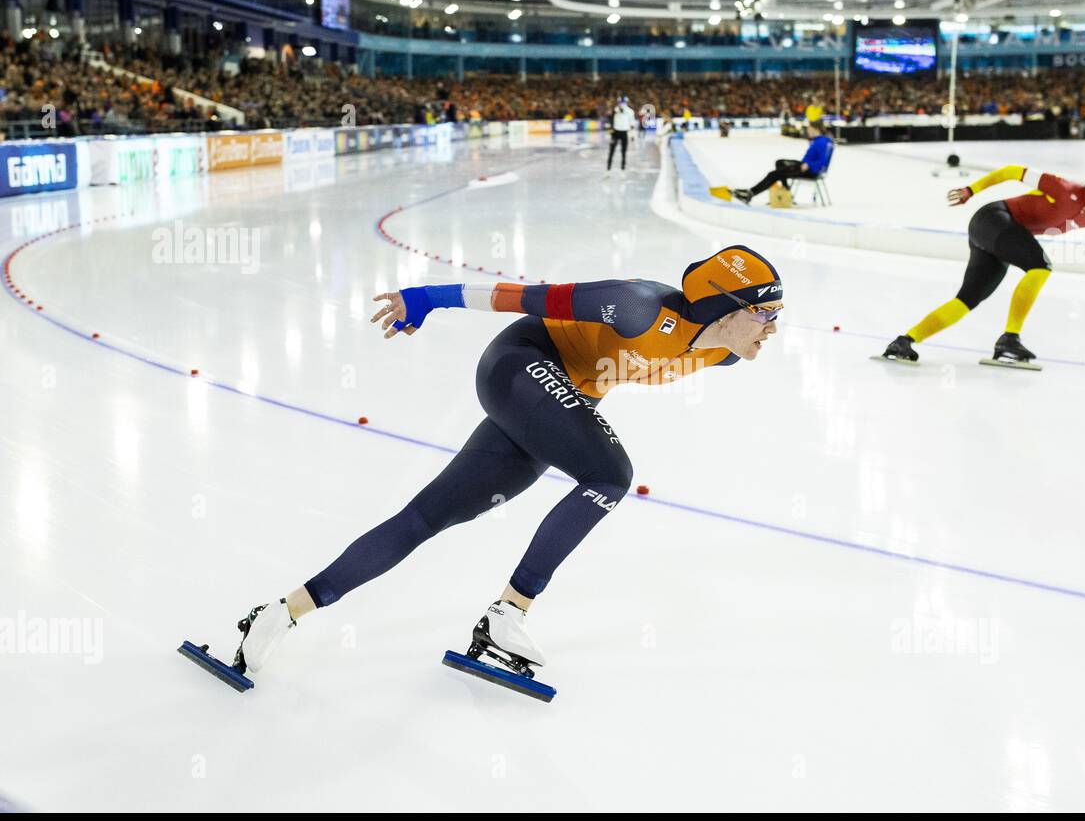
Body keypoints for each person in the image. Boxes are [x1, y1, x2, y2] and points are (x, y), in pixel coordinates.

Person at [219, 246, 784, 684]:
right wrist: (428, 297)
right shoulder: (636, 305)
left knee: (428, 517)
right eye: (766, 312)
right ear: (724, 307)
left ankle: (278, 613)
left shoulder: (726, 352)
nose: (773, 327)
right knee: (609, 475)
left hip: (555, 401)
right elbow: (527, 297)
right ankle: (509, 614)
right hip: (522, 365)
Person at [880, 164, 1085, 364]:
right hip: (993, 219)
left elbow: (1043, 225)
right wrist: (971, 190)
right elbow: (1012, 171)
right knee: (1041, 267)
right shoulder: (1063, 188)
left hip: (1001, 235)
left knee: (967, 300)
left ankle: (905, 341)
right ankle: (1010, 338)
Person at [731, 121, 833, 204]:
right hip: (805, 166)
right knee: (780, 163)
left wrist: (809, 165)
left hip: (809, 170)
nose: (808, 131)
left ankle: (750, 194)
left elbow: (823, 161)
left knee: (773, 174)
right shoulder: (822, 140)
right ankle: (786, 194)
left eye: (810, 129)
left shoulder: (821, 142)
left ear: (816, 129)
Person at [606, 95, 635, 174]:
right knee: (611, 151)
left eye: (623, 102)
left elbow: (632, 124)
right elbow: (610, 121)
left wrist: (632, 135)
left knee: (623, 152)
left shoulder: (630, 111)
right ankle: (608, 169)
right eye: (620, 102)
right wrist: (610, 130)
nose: (621, 104)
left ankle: (622, 169)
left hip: (624, 133)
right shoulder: (615, 110)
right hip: (615, 133)